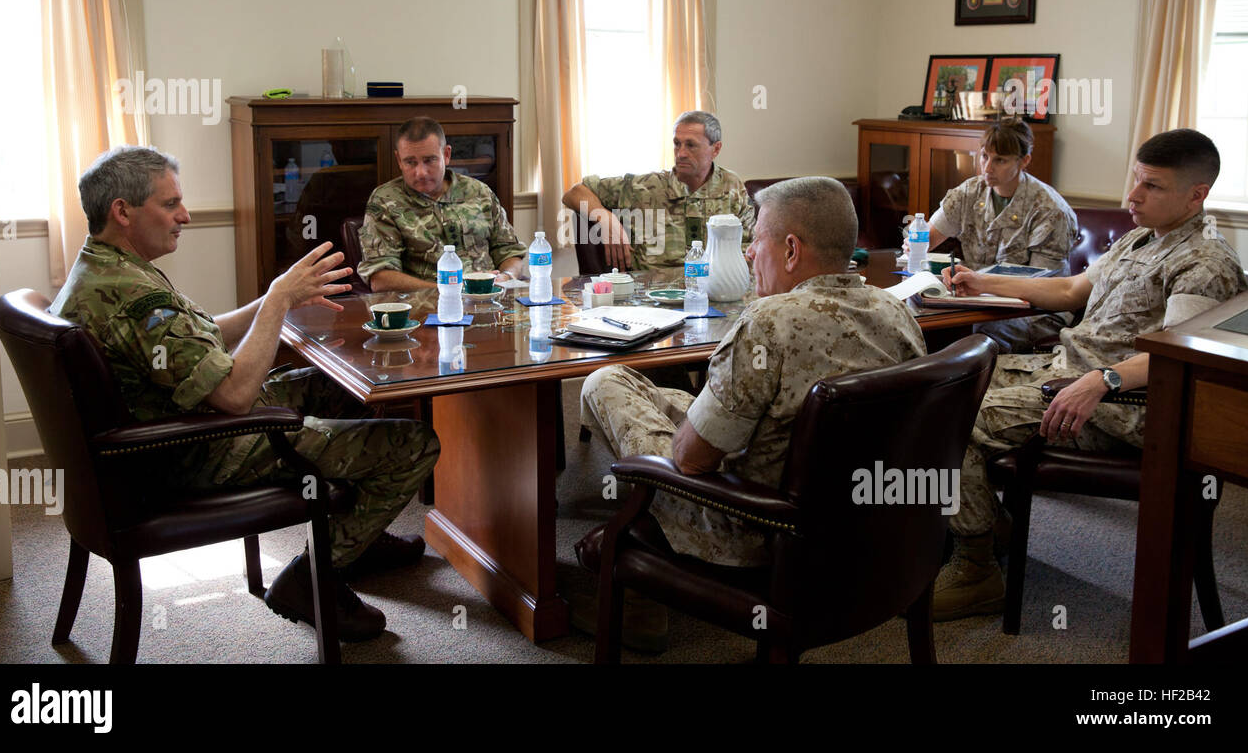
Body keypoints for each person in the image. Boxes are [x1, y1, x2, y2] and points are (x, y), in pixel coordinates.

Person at [50, 146, 440, 643]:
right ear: (122, 211)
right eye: (170, 205)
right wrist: (277, 302)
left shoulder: (105, 271)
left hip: (169, 427)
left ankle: (357, 538)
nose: (185, 216)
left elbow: (201, 335)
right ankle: (311, 576)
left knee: (341, 386)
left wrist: (277, 296)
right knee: (414, 443)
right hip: (190, 451)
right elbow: (234, 395)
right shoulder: (134, 297)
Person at [576, 177, 926, 648]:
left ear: (791, 250)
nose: (747, 253)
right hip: (864, 523)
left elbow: (693, 462)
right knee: (640, 388)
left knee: (604, 382)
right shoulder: (896, 312)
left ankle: (640, 600)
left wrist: (680, 434)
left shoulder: (768, 323)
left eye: (755, 240)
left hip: (755, 527)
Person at [933, 128, 1247, 621]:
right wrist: (983, 281)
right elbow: (1069, 291)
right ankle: (987, 526)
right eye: (1135, 181)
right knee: (933, 391)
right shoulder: (1143, 237)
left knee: (953, 420)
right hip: (1066, 371)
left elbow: (1178, 353)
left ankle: (978, 569)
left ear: (1196, 194)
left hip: (1123, 404)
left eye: (1153, 187)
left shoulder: (1204, 263)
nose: (1133, 197)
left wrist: (1103, 380)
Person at [926, 119, 1079, 353]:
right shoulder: (969, 192)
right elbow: (925, 239)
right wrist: (914, 246)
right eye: (985, 156)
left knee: (976, 333)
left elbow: (1042, 289)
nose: (987, 168)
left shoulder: (1050, 211)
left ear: (1024, 161)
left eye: (1000, 160)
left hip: (1035, 313)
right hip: (976, 303)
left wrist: (982, 289)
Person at [561, 111, 756, 272]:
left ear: (716, 149)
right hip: (653, 298)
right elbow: (574, 193)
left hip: (717, 291)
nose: (681, 153)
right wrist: (604, 217)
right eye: (677, 144)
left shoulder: (731, 187)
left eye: (691, 145)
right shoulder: (644, 187)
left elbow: (752, 248)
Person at [358, 116, 527, 292]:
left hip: (490, 298)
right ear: (399, 160)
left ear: (446, 155)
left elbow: (510, 251)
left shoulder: (478, 191)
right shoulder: (385, 201)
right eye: (410, 162)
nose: (421, 172)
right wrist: (451, 289)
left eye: (429, 160)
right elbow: (381, 278)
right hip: (427, 306)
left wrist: (507, 276)